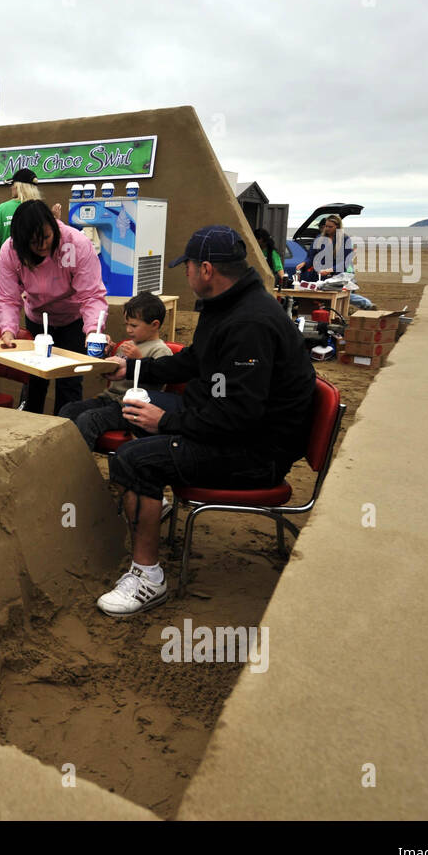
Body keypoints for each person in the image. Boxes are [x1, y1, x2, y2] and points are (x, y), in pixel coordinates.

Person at [96, 226, 314, 617]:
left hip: (254, 453)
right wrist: (135, 368)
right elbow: (194, 361)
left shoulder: (250, 323)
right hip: (226, 427)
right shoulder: (228, 305)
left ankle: (148, 577)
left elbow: (239, 415)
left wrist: (166, 420)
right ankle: (149, 504)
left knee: (133, 457)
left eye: (189, 266)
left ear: (207, 269)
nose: (187, 273)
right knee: (128, 409)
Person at [0, 199, 108, 415]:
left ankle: (65, 429)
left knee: (69, 379)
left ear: (53, 227)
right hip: (38, 317)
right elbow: (8, 297)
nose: (43, 245)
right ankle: (29, 428)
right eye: (34, 242)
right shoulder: (10, 251)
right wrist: (8, 330)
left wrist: (93, 330)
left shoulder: (76, 243)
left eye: (46, 237)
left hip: (73, 318)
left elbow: (92, 294)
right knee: (36, 377)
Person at [59, 293, 173, 450]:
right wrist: (105, 356)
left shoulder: (161, 350)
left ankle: (80, 465)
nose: (128, 330)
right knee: (68, 410)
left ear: (154, 324)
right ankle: (63, 455)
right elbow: (109, 375)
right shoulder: (124, 345)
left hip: (130, 407)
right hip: (108, 398)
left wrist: (138, 360)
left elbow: (158, 382)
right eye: (127, 324)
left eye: (133, 326)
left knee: (89, 419)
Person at [295, 214, 356, 281]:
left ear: (337, 227)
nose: (327, 228)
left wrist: (330, 270)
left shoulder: (345, 239)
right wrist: (304, 263)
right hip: (320, 276)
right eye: (326, 226)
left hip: (338, 277)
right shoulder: (319, 238)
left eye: (330, 227)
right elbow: (311, 256)